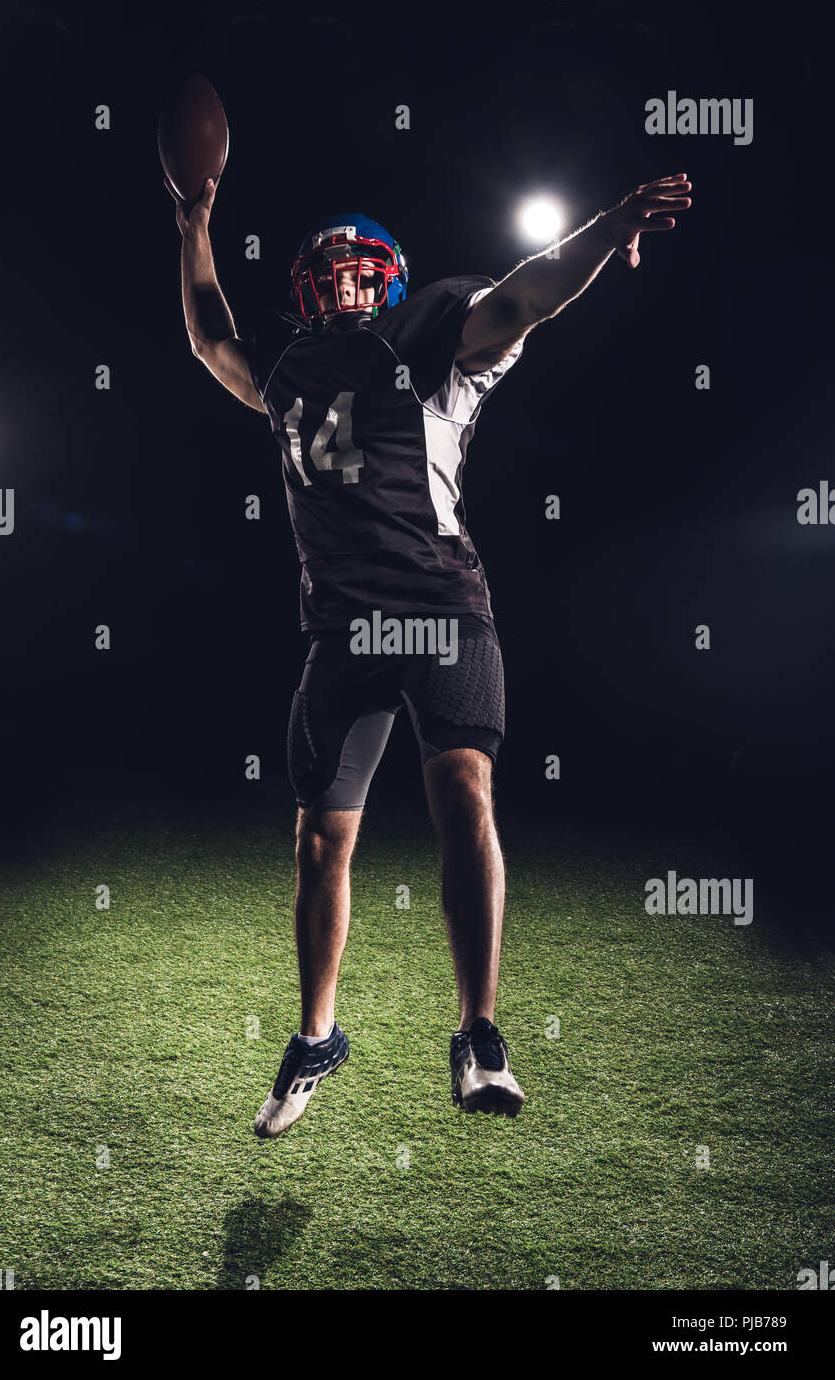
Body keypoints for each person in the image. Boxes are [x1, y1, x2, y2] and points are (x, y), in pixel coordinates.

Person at [166, 172, 692, 1138]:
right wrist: (194, 222)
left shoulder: (437, 340)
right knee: (320, 841)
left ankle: (479, 1032)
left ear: (392, 280)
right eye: (325, 275)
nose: (342, 287)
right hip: (339, 629)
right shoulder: (287, 376)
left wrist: (606, 227)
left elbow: (531, 288)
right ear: (304, 290)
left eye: (358, 271)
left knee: (462, 789)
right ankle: (317, 1036)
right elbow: (209, 334)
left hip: (441, 609)